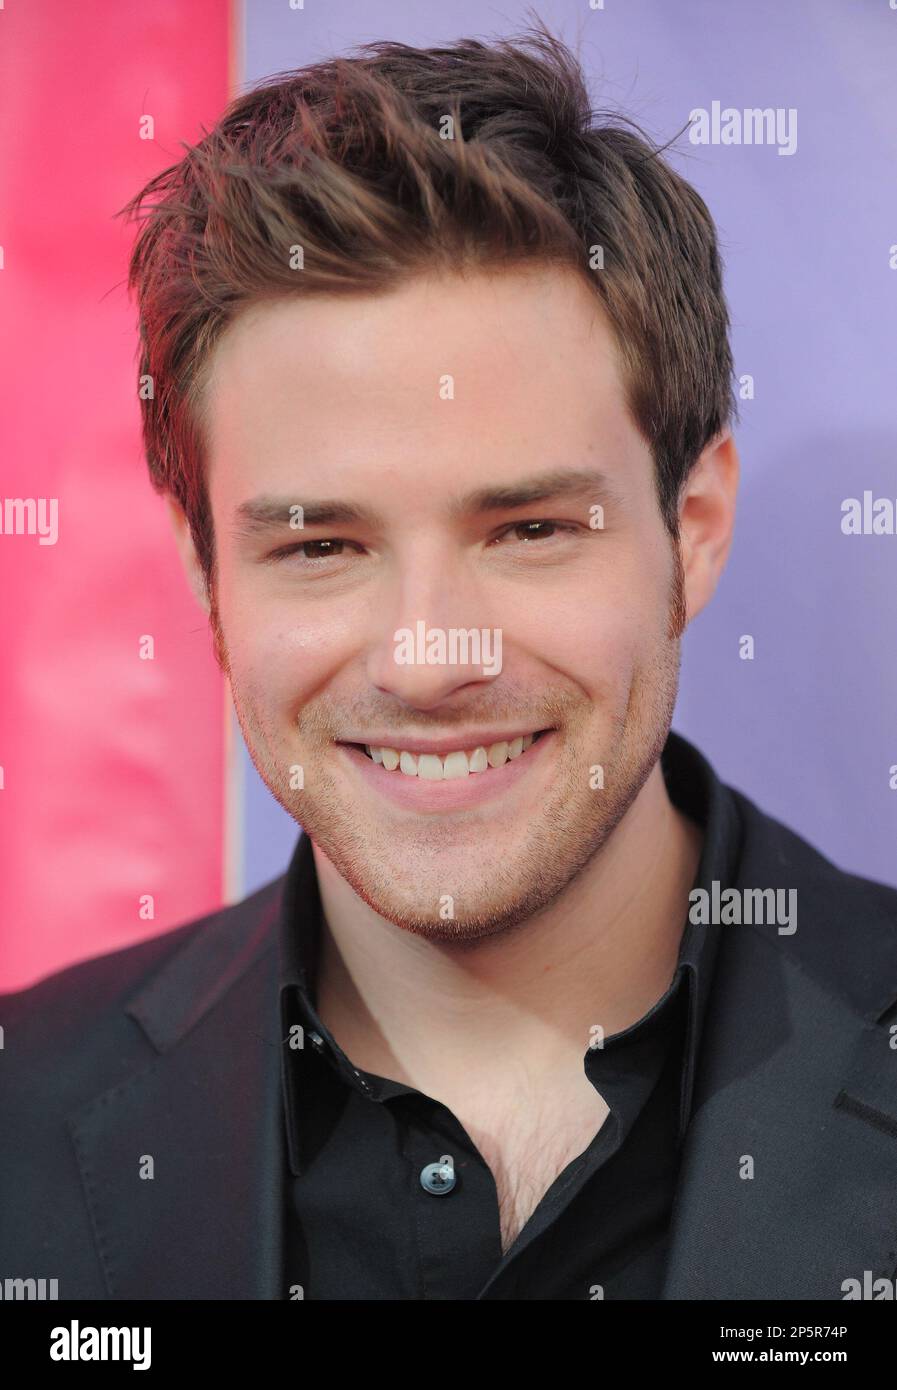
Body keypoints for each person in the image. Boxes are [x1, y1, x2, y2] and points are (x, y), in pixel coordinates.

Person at [2, 24, 895, 1302]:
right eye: (321, 546)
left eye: (527, 530)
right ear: (206, 581)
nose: (428, 658)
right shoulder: (22, 1121)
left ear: (692, 532)